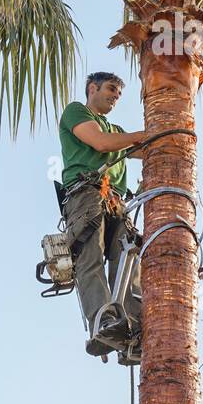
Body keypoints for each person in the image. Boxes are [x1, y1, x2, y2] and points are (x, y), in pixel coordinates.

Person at [59, 72, 149, 356]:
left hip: (115, 203)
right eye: (111, 89)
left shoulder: (116, 128)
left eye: (119, 94)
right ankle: (103, 321)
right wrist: (143, 136)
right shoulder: (77, 112)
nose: (115, 96)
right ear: (92, 88)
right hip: (86, 196)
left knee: (128, 260)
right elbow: (101, 143)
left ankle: (132, 328)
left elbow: (141, 149)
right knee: (91, 258)